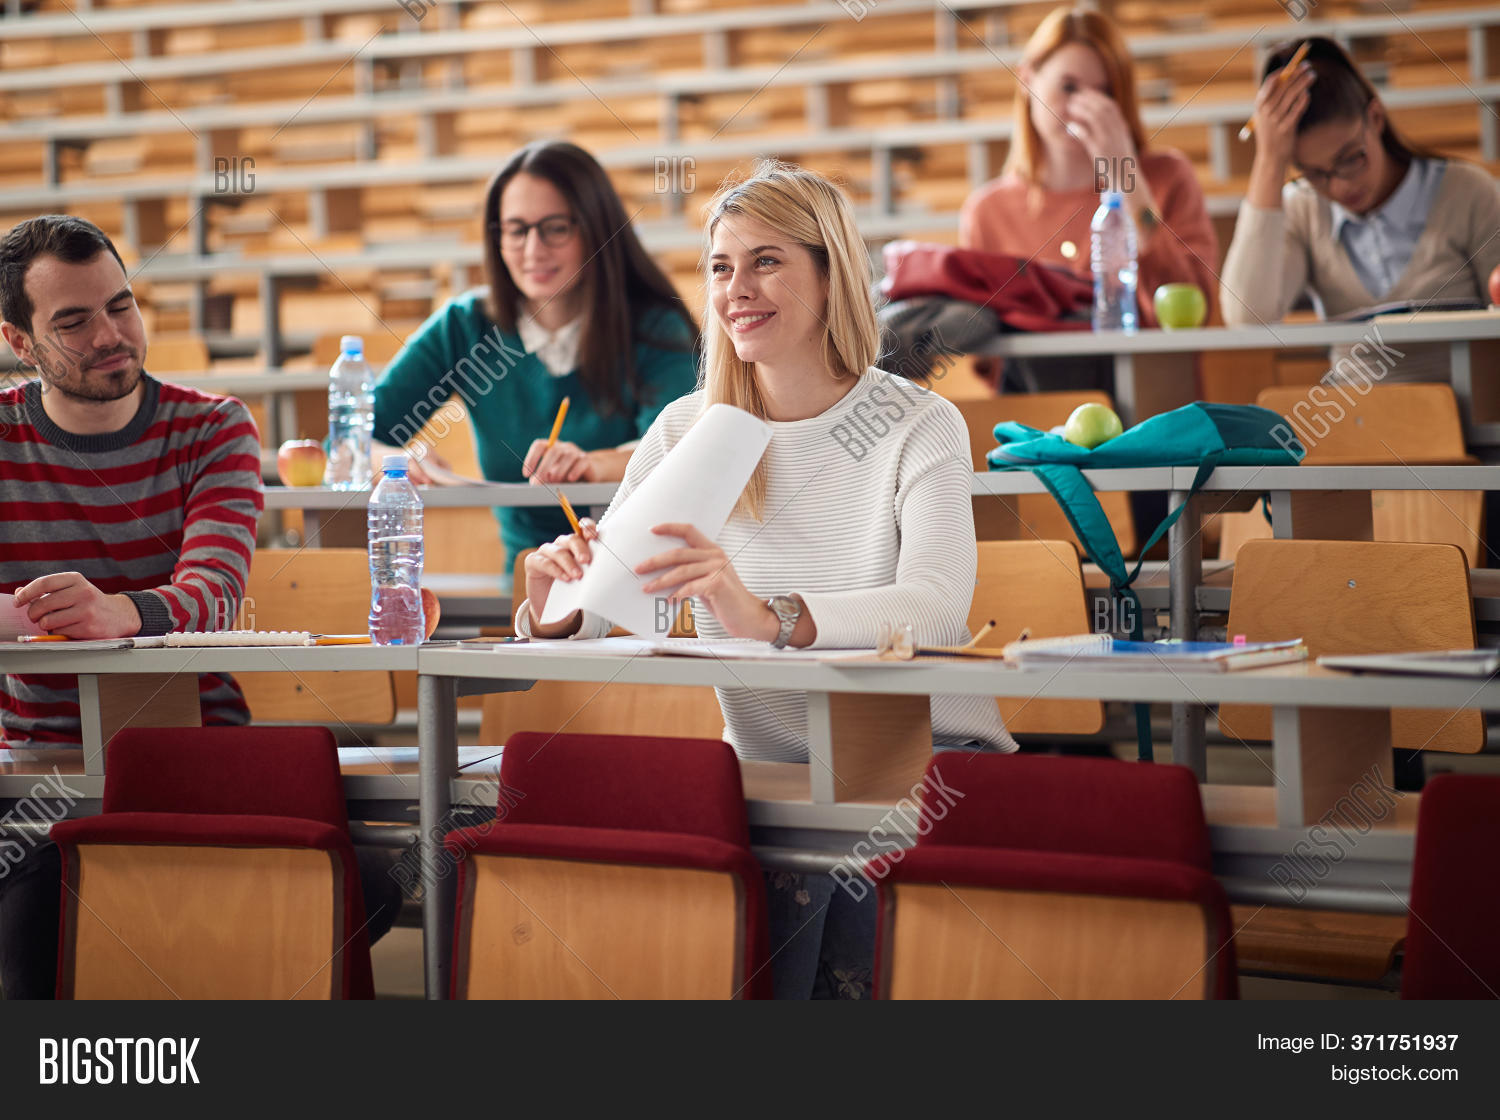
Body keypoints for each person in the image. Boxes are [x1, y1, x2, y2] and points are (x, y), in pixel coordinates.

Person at [516, 161, 1016, 998]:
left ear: (830, 276)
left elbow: (933, 610)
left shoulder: (917, 422)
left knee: (816, 949)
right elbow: (608, 611)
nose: (735, 288)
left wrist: (768, 617)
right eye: (720, 266)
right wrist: (556, 600)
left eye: (766, 261)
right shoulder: (686, 431)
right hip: (768, 777)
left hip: (924, 766)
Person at [0, 215, 396, 998]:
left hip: (199, 758)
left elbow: (213, 593)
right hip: (40, 778)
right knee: (33, 943)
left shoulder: (213, 427)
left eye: (122, 305)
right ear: (20, 341)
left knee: (365, 883)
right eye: (74, 321)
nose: (111, 334)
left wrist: (123, 613)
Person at [372, 139, 699, 572]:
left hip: (640, 575)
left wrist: (591, 465)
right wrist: (396, 460)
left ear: (595, 229)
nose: (532, 250)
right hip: (526, 587)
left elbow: (680, 452)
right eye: (516, 229)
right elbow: (349, 439)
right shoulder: (463, 326)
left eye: (555, 227)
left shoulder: (656, 329)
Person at [1220, 37, 1500, 382]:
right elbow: (1247, 315)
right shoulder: (1304, 206)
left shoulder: (1467, 191)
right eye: (1316, 173)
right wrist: (1269, 160)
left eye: (1351, 158)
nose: (1339, 187)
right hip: (1351, 426)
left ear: (1376, 118)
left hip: (1467, 428)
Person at [959, 6, 1219, 348]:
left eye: (1105, 93)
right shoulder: (988, 210)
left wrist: (1125, 173)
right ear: (1027, 81)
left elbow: (1191, 316)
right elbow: (987, 357)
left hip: (1153, 389)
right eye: (1068, 87)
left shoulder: (1168, 177)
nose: (1087, 108)